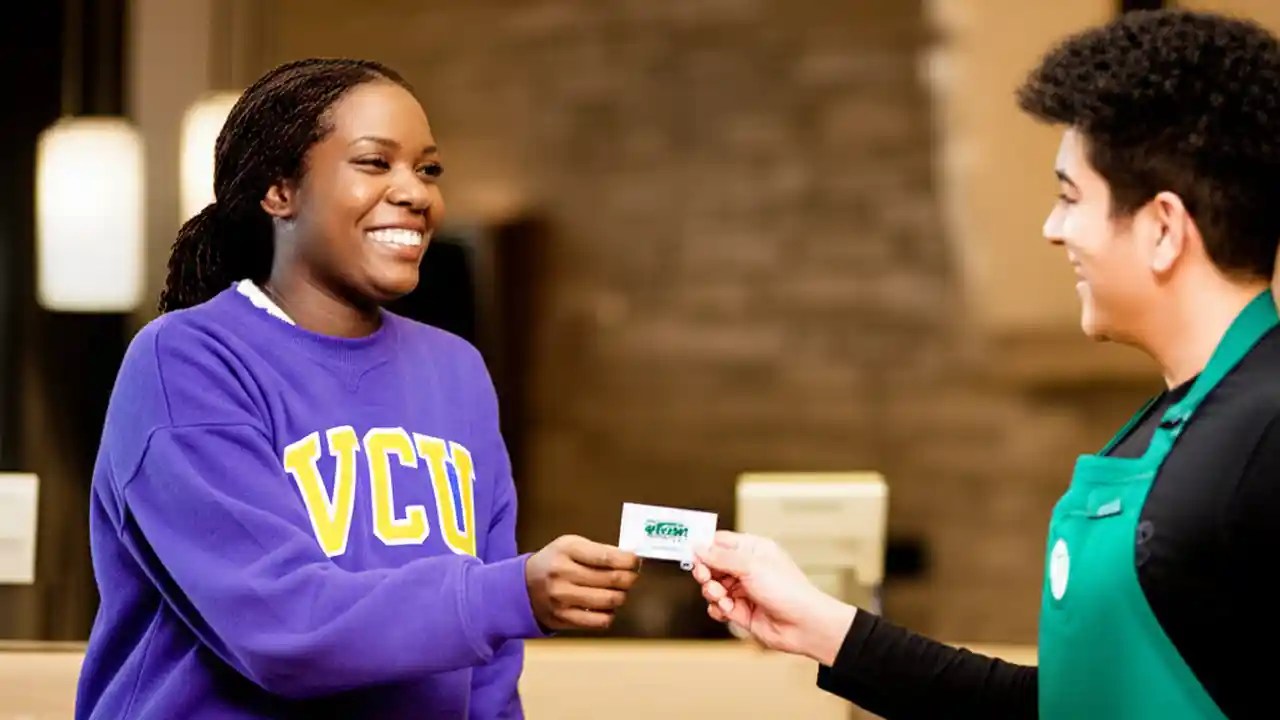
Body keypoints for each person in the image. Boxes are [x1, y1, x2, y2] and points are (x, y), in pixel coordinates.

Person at [692, 9, 1280, 719]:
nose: (1051, 228)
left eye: (1069, 197)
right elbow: (1068, 707)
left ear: (1161, 228)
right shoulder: (1170, 426)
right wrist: (823, 628)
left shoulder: (1265, 432)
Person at [75, 58, 641, 719]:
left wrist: (501, 612)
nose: (416, 193)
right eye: (376, 163)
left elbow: (486, 672)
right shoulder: (187, 362)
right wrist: (509, 593)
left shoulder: (456, 371)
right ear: (278, 190)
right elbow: (280, 628)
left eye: (428, 169)